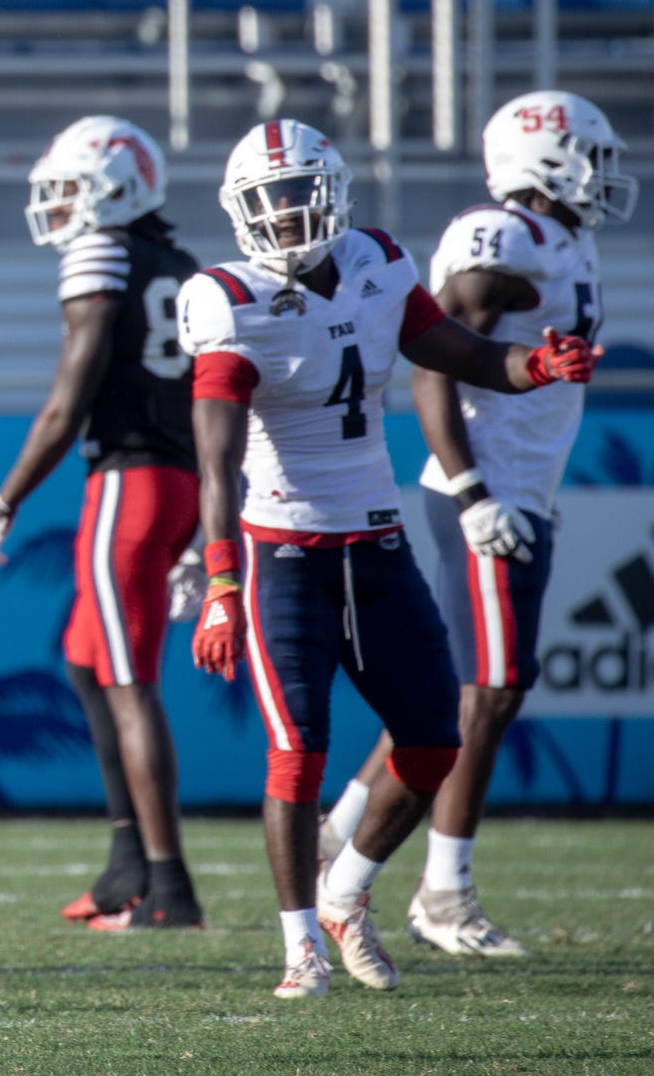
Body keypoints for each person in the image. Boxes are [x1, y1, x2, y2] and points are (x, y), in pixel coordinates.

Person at [177, 119, 599, 998]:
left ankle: (345, 893)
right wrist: (221, 582)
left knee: (434, 741)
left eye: (300, 195)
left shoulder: (376, 263)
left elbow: (459, 351)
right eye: (270, 201)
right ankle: (300, 945)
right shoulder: (228, 297)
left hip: (376, 545)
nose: (288, 215)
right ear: (242, 211)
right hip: (282, 552)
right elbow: (213, 459)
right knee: (298, 752)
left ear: (331, 194)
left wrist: (534, 364)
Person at [317, 91, 632, 958]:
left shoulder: (563, 237)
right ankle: (443, 892)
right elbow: (434, 363)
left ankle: (335, 830)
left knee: (455, 689)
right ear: (541, 158)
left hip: (519, 486)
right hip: (485, 493)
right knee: (487, 693)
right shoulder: (507, 238)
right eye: (584, 153)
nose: (602, 172)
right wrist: (471, 491)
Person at [0, 117, 203, 930]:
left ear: (112, 186)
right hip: (174, 480)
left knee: (129, 681)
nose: (61, 204)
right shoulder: (180, 264)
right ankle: (126, 865)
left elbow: (70, 402)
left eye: (70, 187)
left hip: (130, 483)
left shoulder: (104, 255)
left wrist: (6, 499)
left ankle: (168, 889)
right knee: (85, 659)